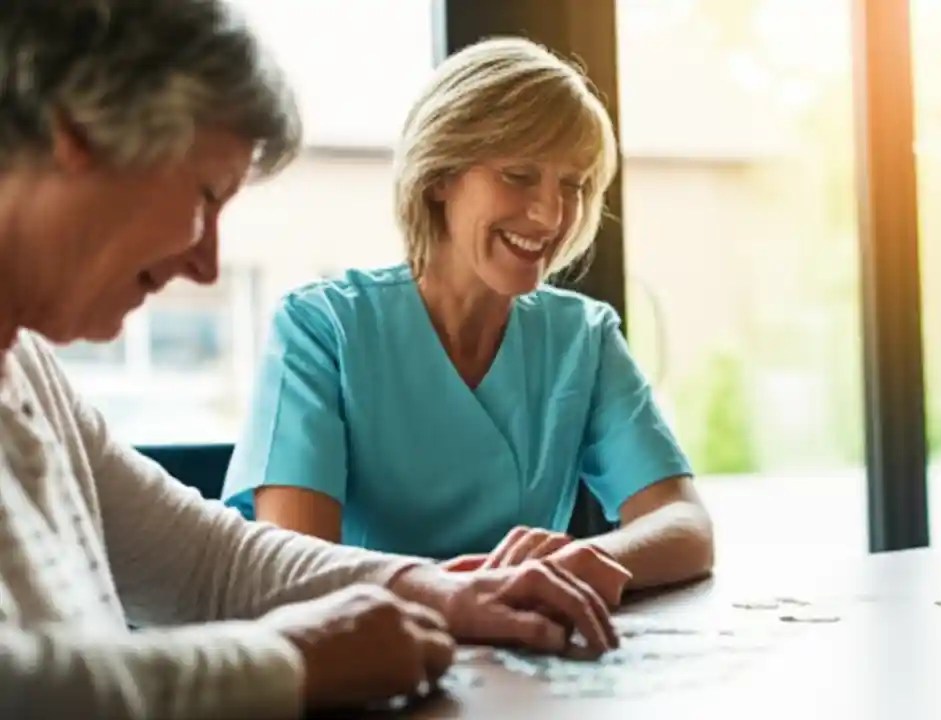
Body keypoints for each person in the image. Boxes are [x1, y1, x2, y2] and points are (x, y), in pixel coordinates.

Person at [0, 3, 622, 718]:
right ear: (76, 135)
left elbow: (211, 561)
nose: (206, 265)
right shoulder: (332, 323)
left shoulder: (31, 371)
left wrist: (445, 590)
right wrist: (289, 661)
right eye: (206, 195)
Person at [221, 37, 715, 608]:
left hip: (528, 671)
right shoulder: (322, 328)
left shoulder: (583, 336)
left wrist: (592, 557)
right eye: (520, 175)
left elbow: (685, 525)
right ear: (439, 176)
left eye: (573, 185)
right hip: (365, 660)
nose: (552, 214)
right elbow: (297, 567)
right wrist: (471, 595)